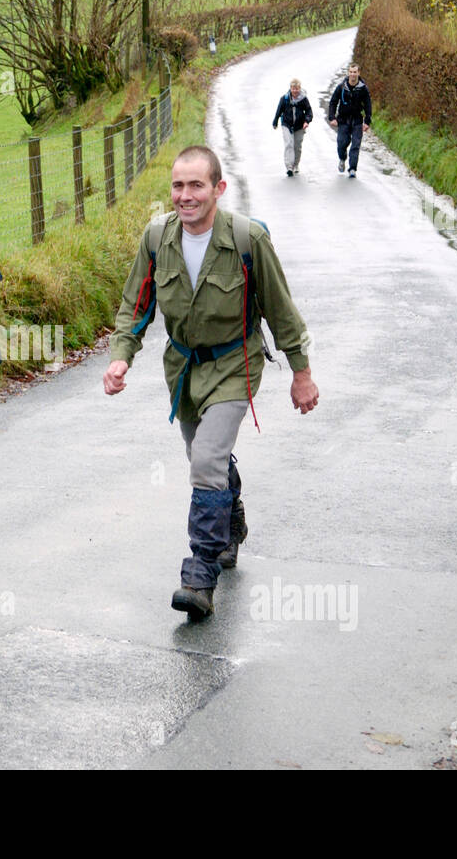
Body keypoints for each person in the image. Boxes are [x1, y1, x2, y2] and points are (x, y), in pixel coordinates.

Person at [103, 145, 318, 622]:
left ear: (218, 188)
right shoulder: (157, 237)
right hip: (183, 369)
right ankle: (230, 513)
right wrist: (122, 358)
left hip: (234, 364)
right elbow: (135, 306)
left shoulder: (247, 239)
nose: (185, 195)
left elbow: (280, 309)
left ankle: (200, 573)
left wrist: (301, 372)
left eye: (196, 185)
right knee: (203, 458)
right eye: (178, 186)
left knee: (205, 460)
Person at [327, 63, 372, 178]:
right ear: (348, 73)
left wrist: (367, 121)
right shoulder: (341, 87)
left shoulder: (363, 88)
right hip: (343, 120)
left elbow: (368, 105)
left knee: (355, 145)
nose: (353, 74)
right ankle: (342, 159)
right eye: (351, 72)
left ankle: (352, 168)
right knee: (341, 143)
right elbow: (333, 102)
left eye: (355, 72)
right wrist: (332, 117)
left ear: (358, 73)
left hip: (357, 120)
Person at [272, 78, 313, 176]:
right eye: (293, 89)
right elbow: (279, 110)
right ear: (290, 88)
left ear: (300, 88)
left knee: (297, 147)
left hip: (299, 126)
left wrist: (307, 121)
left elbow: (309, 111)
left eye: (297, 89)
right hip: (287, 124)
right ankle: (289, 167)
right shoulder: (285, 99)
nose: (295, 91)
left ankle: (295, 165)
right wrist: (275, 121)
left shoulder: (303, 99)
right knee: (289, 144)